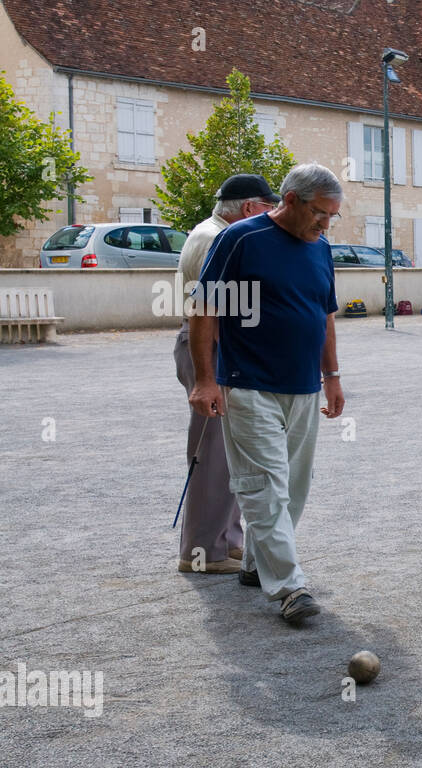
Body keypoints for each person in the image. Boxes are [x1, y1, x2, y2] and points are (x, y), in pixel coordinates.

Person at [187, 163, 346, 622]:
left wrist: (332, 375)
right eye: (319, 213)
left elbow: (326, 315)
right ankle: (289, 587)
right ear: (290, 200)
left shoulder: (321, 249)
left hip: (303, 387)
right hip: (248, 382)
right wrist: (204, 379)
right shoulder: (240, 239)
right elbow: (203, 308)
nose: (324, 224)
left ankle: (257, 564)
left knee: (294, 487)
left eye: (332, 216)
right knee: (264, 488)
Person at [173, 174, 279, 573]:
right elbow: (210, 312)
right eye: (268, 208)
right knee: (213, 454)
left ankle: (225, 540)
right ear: (250, 208)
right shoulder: (217, 238)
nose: (272, 216)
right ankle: (203, 552)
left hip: (214, 349)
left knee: (226, 452)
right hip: (210, 351)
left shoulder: (213, 232)